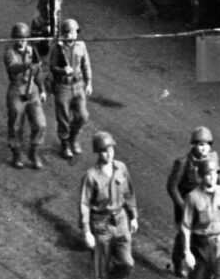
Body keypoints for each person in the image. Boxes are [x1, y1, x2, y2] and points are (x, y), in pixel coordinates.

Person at [79, 131, 137, 279]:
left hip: (121, 221)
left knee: (127, 263)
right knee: (102, 270)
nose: (108, 154)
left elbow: (128, 192)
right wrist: (87, 232)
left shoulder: (121, 168)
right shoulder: (91, 176)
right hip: (101, 225)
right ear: (98, 153)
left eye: (110, 149)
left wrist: (134, 216)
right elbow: (84, 204)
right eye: (104, 151)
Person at [166, 127, 218, 276]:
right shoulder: (184, 163)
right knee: (184, 235)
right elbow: (172, 186)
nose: (204, 149)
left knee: (205, 234)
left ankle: (202, 266)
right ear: (194, 145)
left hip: (205, 204)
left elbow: (219, 179)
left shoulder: (213, 158)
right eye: (201, 145)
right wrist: (182, 206)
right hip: (186, 204)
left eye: (207, 145)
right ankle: (178, 261)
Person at [179, 155, 220, 279]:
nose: (213, 177)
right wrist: (187, 252)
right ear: (201, 176)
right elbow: (185, 226)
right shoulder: (193, 197)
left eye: (215, 173)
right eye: (208, 174)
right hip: (201, 248)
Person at [3, 21, 47, 170]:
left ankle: (33, 151)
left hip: (32, 91)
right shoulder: (10, 53)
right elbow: (13, 68)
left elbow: (39, 72)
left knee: (41, 124)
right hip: (16, 90)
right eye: (18, 38)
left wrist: (42, 89)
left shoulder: (32, 50)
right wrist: (28, 65)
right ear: (14, 39)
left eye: (24, 38)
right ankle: (16, 153)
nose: (21, 41)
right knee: (15, 123)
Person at [50, 18, 93, 160]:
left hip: (78, 85)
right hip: (63, 86)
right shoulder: (58, 48)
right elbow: (52, 67)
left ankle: (73, 138)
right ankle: (65, 143)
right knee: (63, 117)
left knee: (83, 116)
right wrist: (63, 71)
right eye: (68, 33)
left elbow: (86, 65)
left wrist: (89, 83)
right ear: (63, 34)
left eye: (74, 32)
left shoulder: (81, 46)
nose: (71, 35)